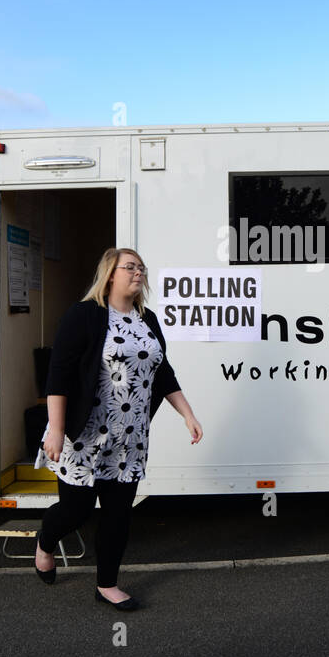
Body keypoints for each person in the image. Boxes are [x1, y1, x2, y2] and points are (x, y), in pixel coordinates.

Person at [34, 247, 202, 610]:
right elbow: (58, 373)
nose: (138, 272)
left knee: (118, 515)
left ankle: (106, 584)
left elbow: (163, 372)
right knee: (76, 510)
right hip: (84, 434)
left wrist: (186, 413)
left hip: (130, 437)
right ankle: (45, 541)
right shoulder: (85, 315)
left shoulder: (148, 319)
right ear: (110, 274)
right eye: (130, 267)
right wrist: (56, 429)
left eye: (141, 267)